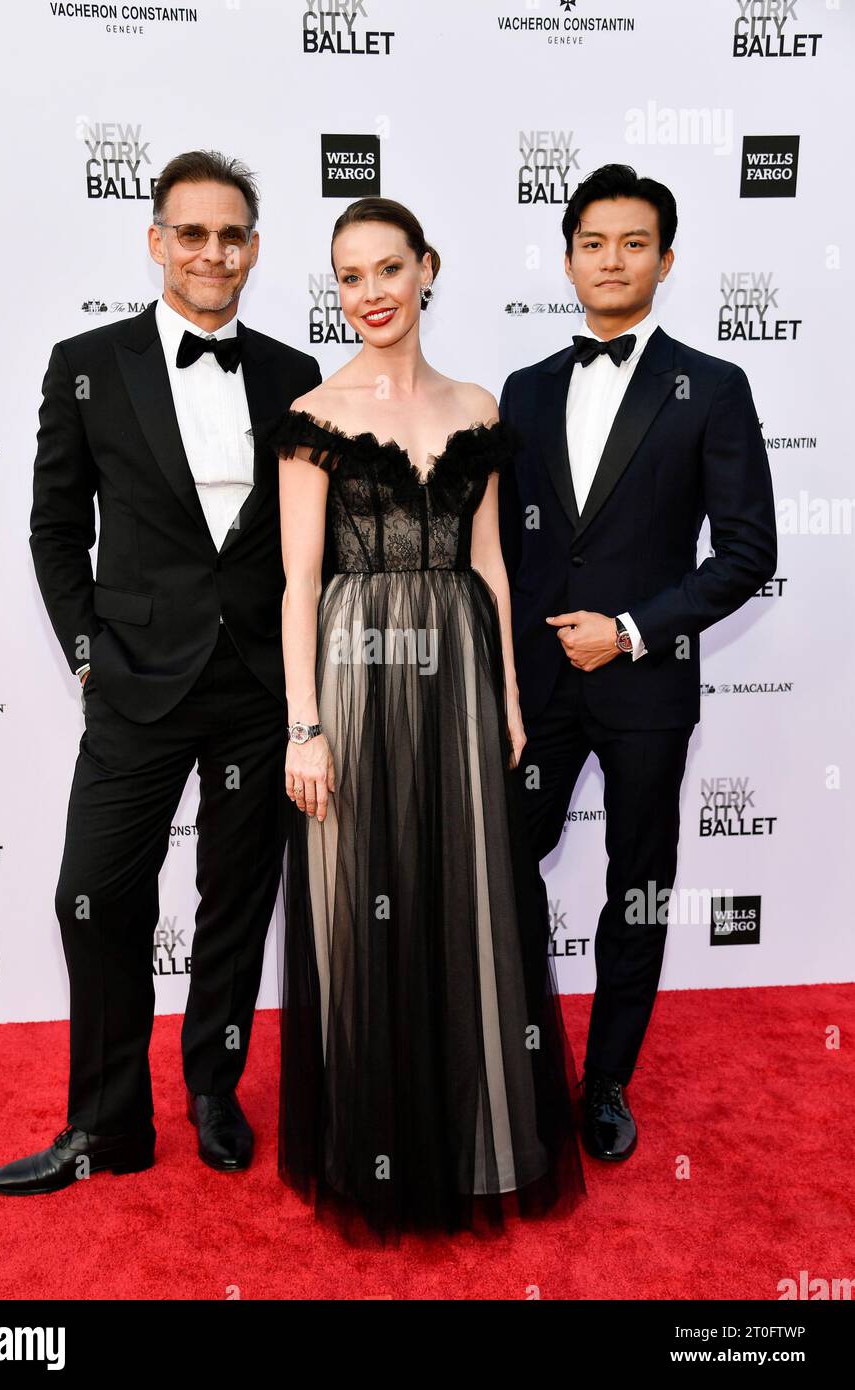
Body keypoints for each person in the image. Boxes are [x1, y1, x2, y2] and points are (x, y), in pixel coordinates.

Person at [0, 151, 321, 1195]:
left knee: (237, 896)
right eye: (191, 233)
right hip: (134, 675)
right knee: (92, 893)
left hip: (258, 682)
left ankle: (214, 1089)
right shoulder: (86, 362)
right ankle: (105, 1125)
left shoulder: (294, 375)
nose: (211, 252)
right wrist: (89, 650)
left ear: (254, 251)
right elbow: (54, 525)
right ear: (156, 241)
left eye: (231, 236)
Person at [263, 196, 587, 1244]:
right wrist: (302, 725)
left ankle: (466, 1140)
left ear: (426, 268)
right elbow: (298, 582)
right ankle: (372, 1144)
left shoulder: (478, 405)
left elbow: (491, 563)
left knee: (463, 896)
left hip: (455, 672)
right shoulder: (313, 413)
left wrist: (504, 698)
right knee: (361, 900)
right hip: (354, 672)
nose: (369, 294)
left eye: (387, 270)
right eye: (349, 277)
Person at [498, 164, 778, 1164]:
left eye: (630, 244)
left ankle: (604, 1080)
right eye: (591, 243)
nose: (609, 260)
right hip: (531, 689)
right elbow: (508, 553)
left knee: (637, 886)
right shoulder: (523, 391)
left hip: (645, 687)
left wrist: (625, 628)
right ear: (566, 256)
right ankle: (501, 1058)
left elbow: (748, 553)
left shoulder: (711, 386)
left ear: (663, 259)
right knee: (494, 867)